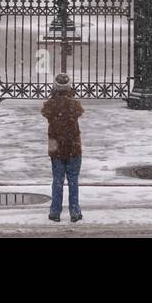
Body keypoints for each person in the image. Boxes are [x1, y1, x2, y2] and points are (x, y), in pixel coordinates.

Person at [41, 72, 83, 222]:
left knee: (57, 180)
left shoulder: (50, 105)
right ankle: (74, 211)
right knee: (73, 180)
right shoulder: (74, 105)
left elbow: (45, 112)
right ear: (69, 87)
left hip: (55, 146)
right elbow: (79, 111)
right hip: (73, 145)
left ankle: (55, 211)